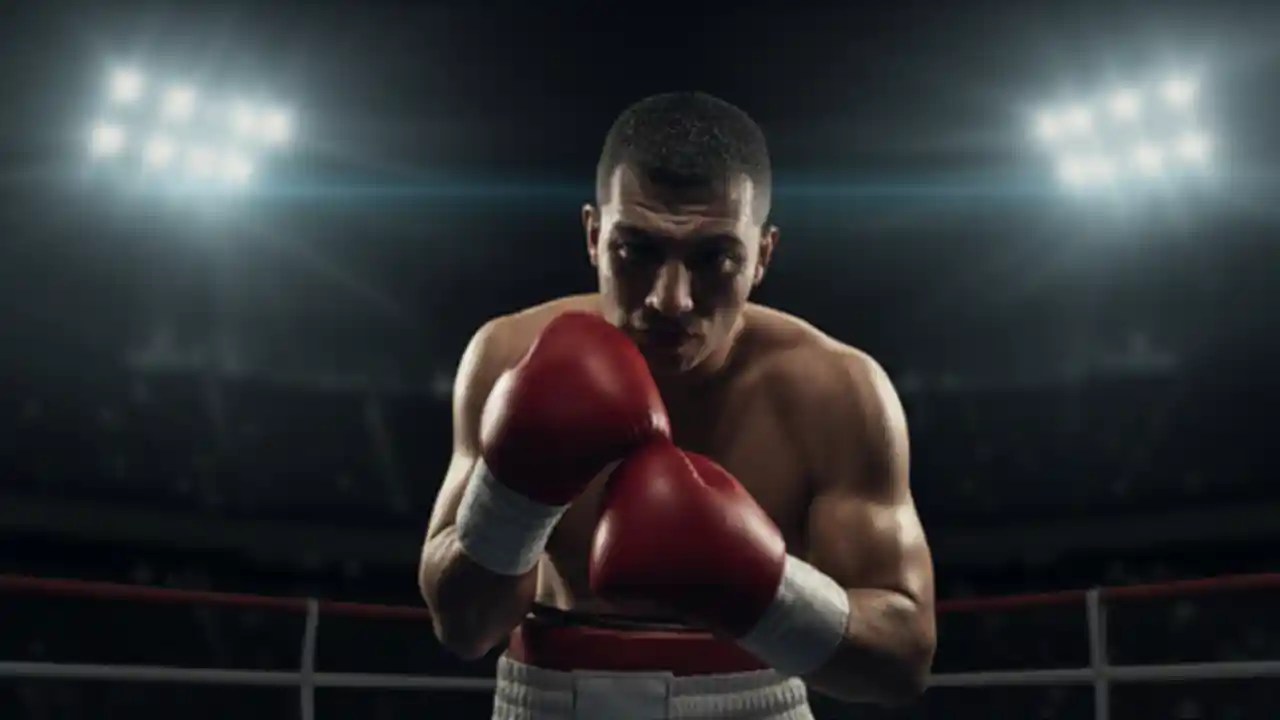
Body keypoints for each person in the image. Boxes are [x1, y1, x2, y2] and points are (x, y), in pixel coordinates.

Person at [419, 91, 936, 719]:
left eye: (715, 258)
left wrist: (766, 591)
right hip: (547, 698)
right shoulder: (507, 356)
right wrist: (514, 498)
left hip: (754, 701)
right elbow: (464, 628)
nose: (672, 301)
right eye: (636, 251)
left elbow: (904, 657)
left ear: (763, 256)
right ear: (593, 236)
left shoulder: (834, 391)